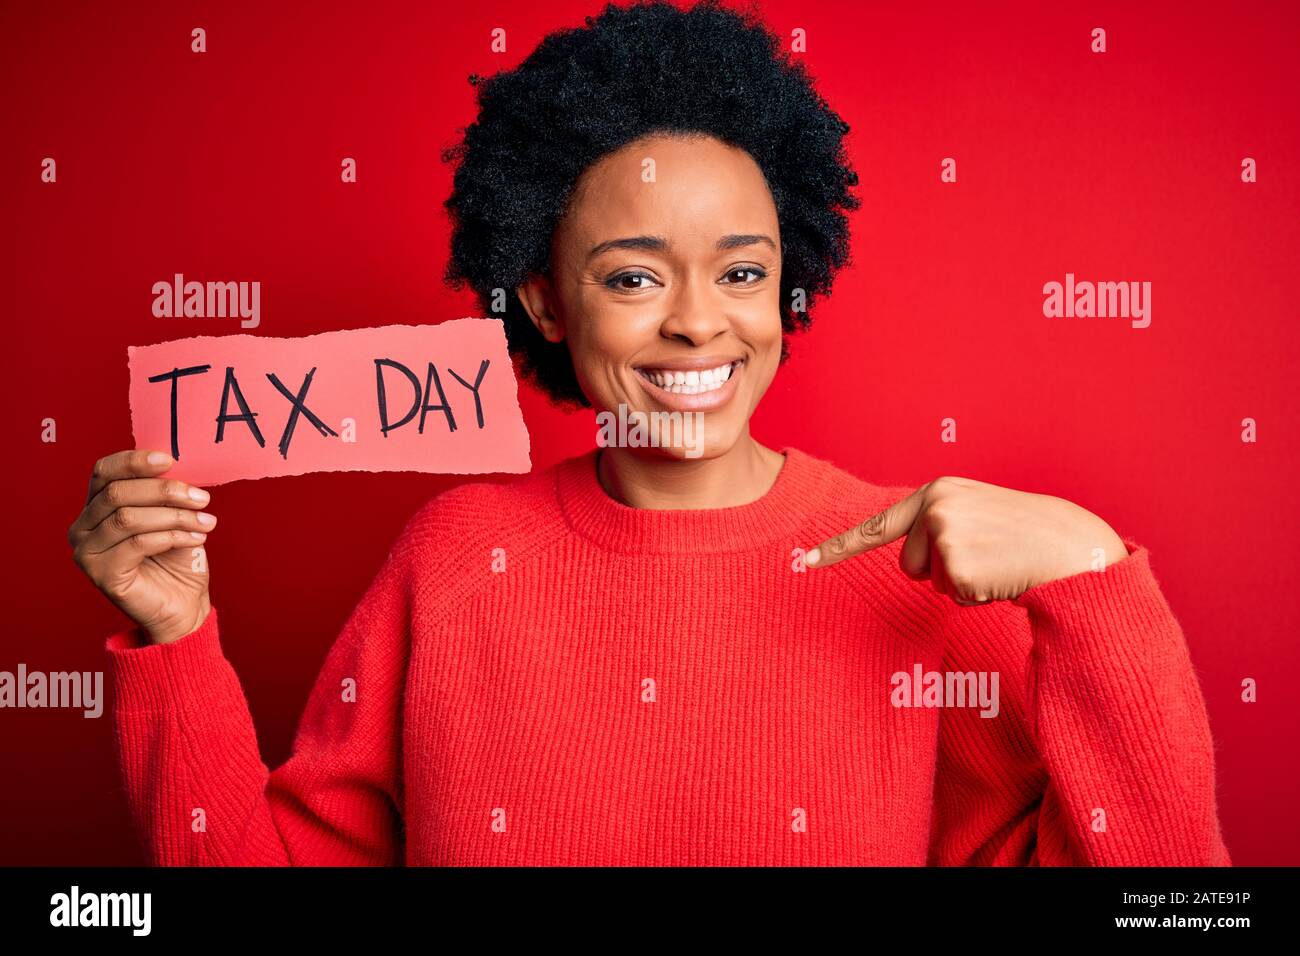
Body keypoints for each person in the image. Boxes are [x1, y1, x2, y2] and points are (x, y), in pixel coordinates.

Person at [69, 0, 1230, 865]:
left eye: (740, 270)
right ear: (540, 298)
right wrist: (175, 640)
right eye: (631, 275)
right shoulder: (454, 556)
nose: (694, 322)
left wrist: (1091, 575)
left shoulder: (921, 575)